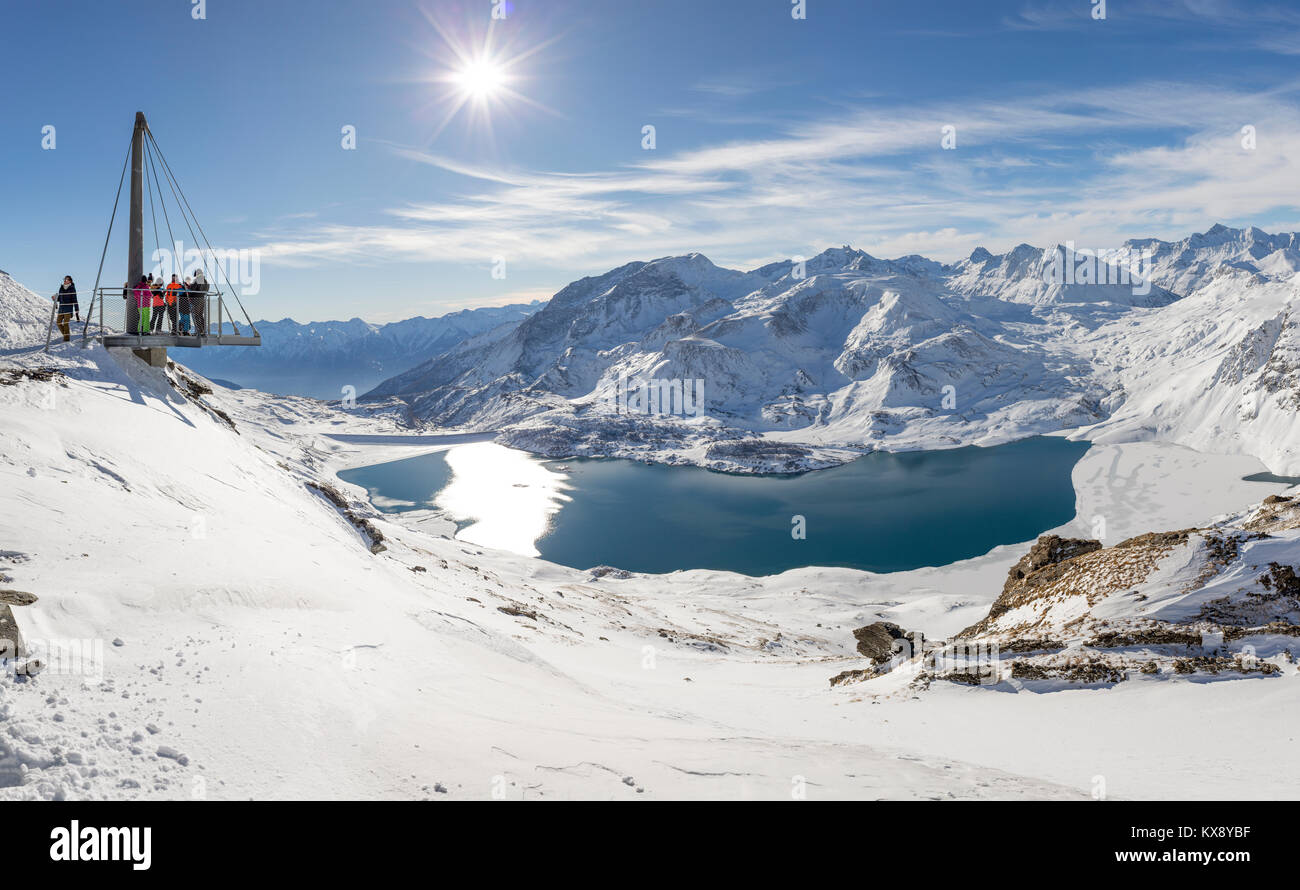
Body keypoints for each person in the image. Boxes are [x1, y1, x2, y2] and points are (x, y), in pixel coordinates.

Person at [51, 276, 80, 342]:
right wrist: (55, 298)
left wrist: (76, 309)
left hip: (68, 309)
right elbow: (60, 298)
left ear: (70, 281)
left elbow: (75, 299)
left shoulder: (72, 288)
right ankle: (66, 335)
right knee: (58, 323)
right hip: (61, 308)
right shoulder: (61, 288)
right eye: (64, 279)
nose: (64, 280)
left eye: (66, 279)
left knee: (66, 323)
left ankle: (66, 340)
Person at [189, 269, 209, 337]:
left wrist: (190, 287)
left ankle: (199, 331)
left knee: (196, 315)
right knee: (200, 315)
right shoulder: (205, 281)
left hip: (196, 299)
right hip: (202, 299)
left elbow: (192, 289)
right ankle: (203, 330)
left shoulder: (197, 280)